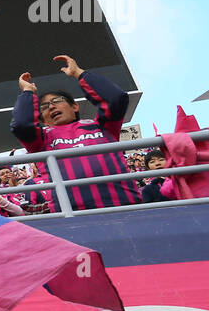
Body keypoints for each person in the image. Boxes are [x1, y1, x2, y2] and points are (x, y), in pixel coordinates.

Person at [10, 55, 140, 211]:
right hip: (72, 216)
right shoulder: (40, 140)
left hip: (127, 207)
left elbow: (116, 98)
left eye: (56, 100)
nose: (50, 107)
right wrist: (28, 92)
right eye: (43, 107)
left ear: (75, 106)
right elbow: (21, 125)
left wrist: (79, 73)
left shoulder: (103, 125)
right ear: (42, 120)